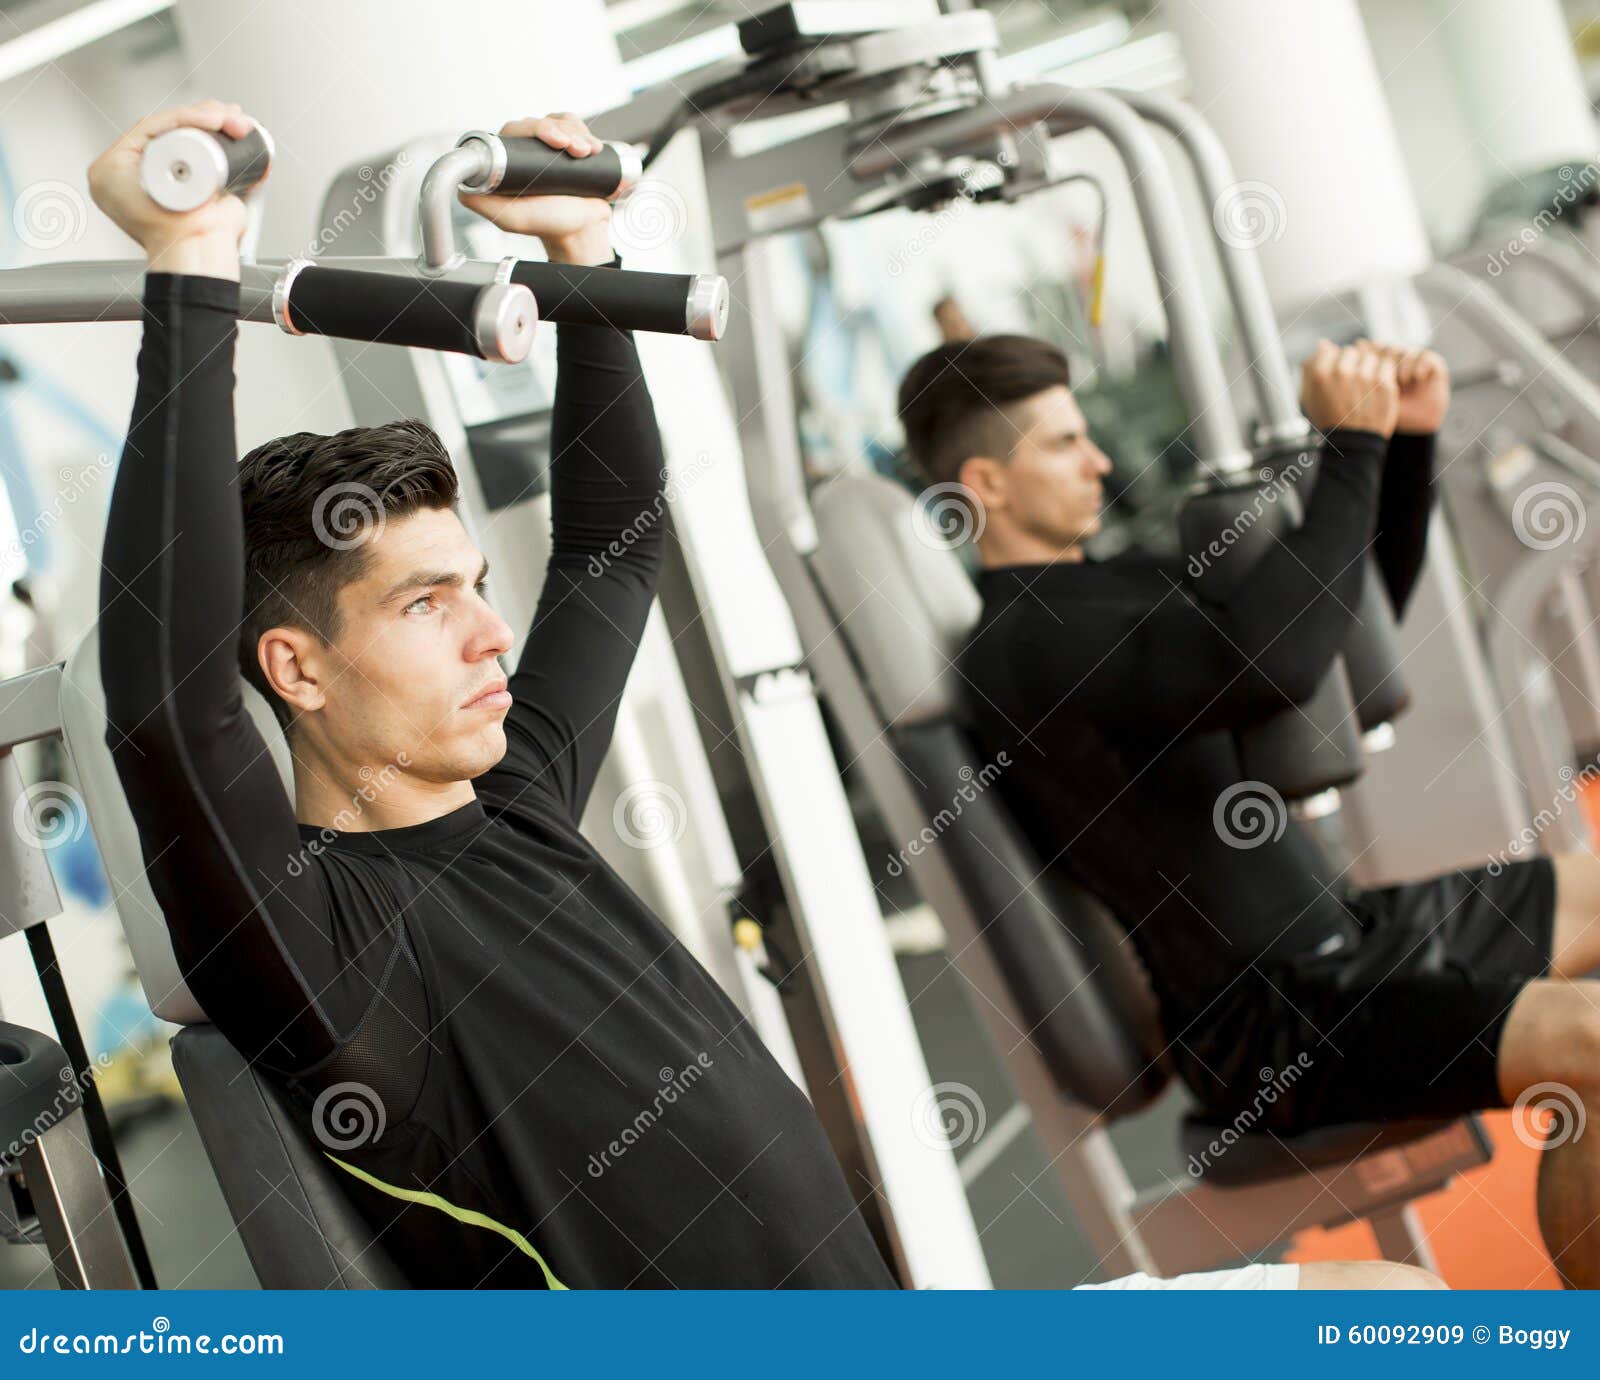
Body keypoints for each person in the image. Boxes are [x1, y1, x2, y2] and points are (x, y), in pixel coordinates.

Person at [90, 98, 1440, 1293]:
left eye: (475, 587)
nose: (490, 635)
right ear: (296, 669)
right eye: (424, 604)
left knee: (1391, 1314)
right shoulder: (306, 939)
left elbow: (614, 546)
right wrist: (188, 271)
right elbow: (166, 708)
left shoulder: (518, 807)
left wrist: (585, 260)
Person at [898, 331, 1600, 1288]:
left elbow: (1334, 637)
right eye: (1064, 443)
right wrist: (1348, 446)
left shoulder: (1104, 591)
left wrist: (1404, 446)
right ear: (986, 481)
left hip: (1356, 943)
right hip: (1278, 1027)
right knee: (1594, 1047)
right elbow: (1276, 663)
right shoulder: (1026, 646)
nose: (1099, 458)